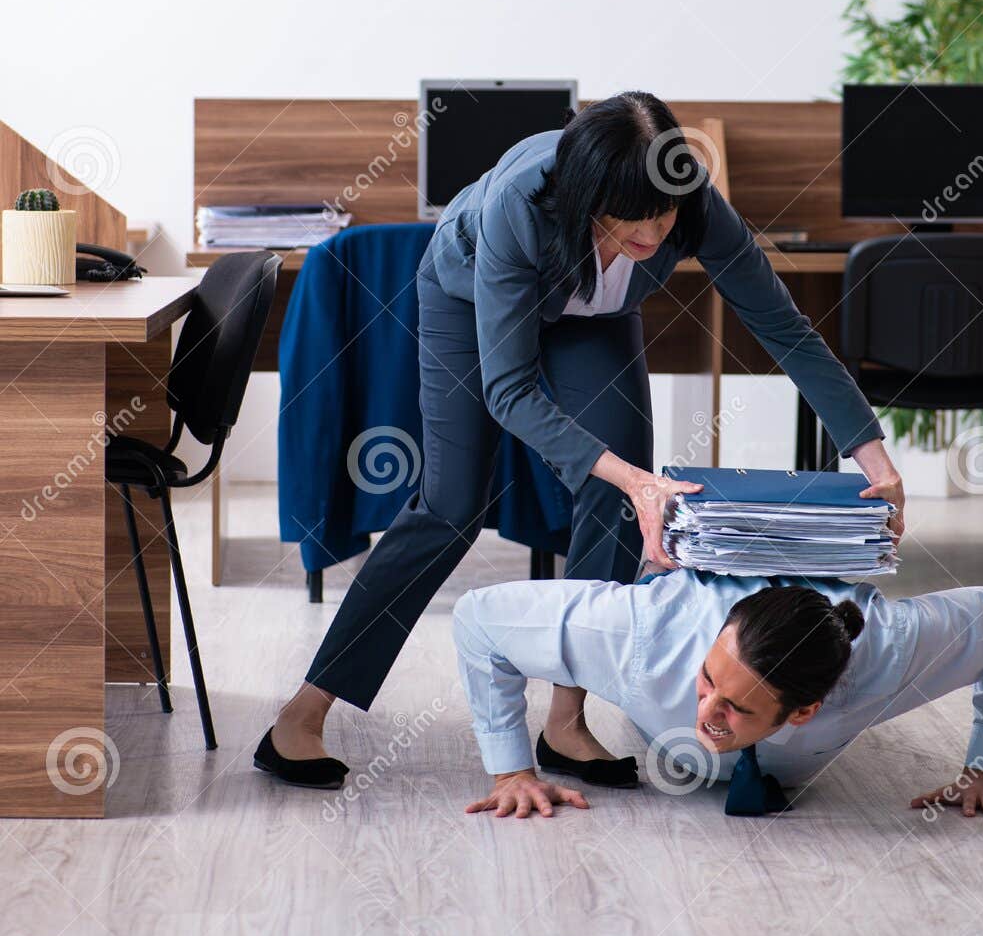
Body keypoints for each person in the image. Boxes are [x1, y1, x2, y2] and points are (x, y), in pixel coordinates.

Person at [256, 91, 903, 792]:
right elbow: (509, 390)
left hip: (595, 313)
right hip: (469, 297)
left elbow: (785, 330)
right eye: (634, 214)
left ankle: (566, 721)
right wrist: (634, 475)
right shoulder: (517, 209)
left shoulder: (691, 204)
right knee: (449, 506)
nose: (655, 232)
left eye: (666, 213)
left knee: (621, 505)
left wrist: (875, 459)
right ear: (587, 193)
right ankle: (303, 713)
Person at [452, 569, 983, 824]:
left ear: (805, 711)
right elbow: (478, 619)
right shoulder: (641, 635)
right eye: (709, 680)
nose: (704, 711)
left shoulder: (890, 655)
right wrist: (510, 772)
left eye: (735, 707)